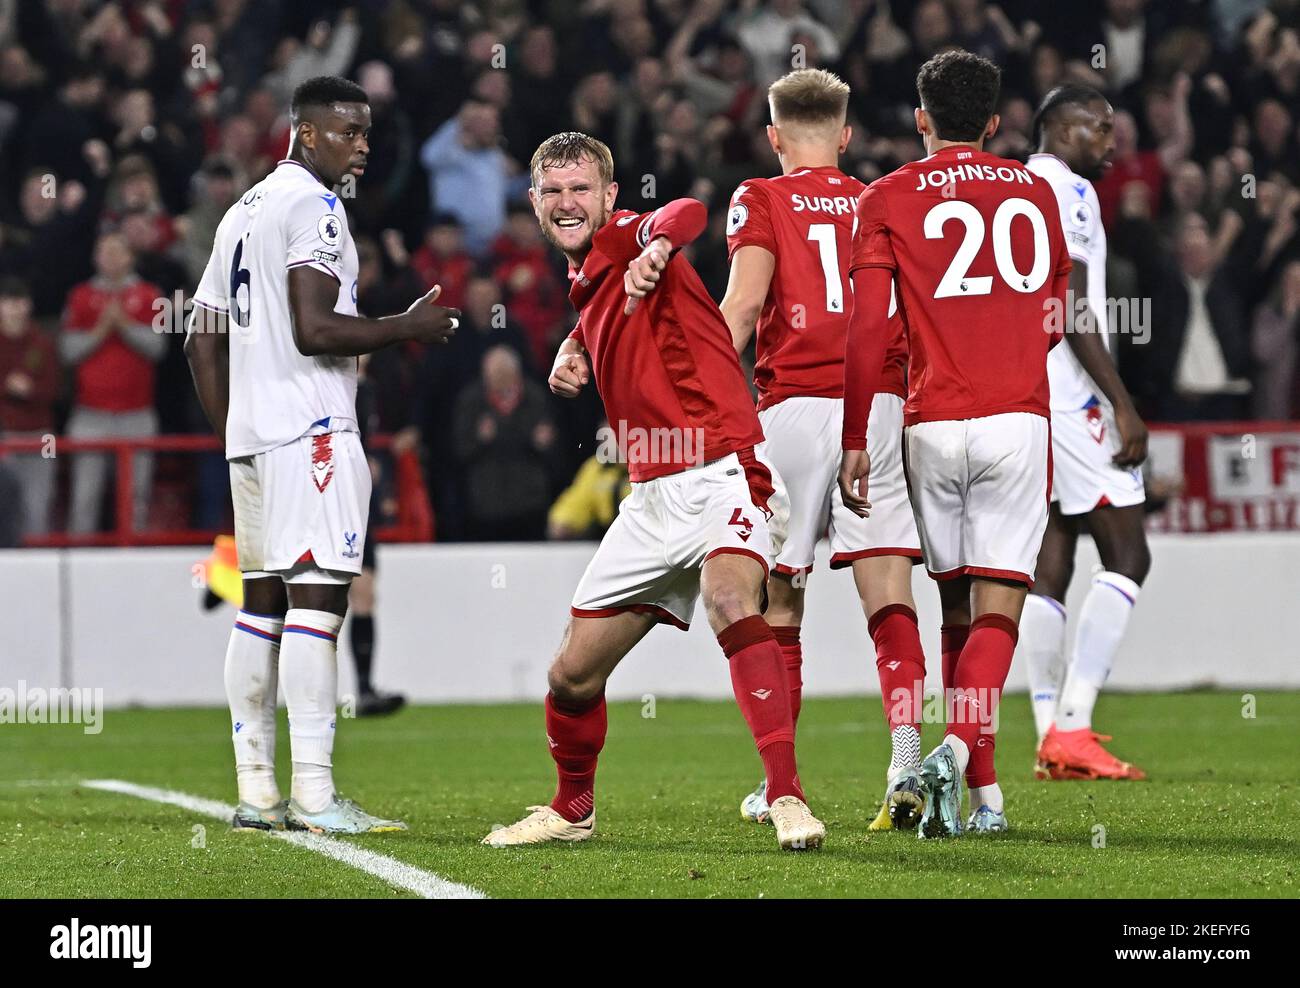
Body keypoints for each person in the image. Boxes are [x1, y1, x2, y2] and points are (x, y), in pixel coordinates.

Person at [483, 132, 824, 851]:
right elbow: (614, 307)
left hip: (723, 467)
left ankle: (787, 797)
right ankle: (573, 809)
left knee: (732, 598)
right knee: (570, 676)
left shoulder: (630, 239)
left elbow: (686, 210)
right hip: (650, 498)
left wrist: (656, 248)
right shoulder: (591, 283)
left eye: (582, 189)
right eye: (554, 192)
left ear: (609, 196)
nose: (568, 203)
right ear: (536, 205)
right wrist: (578, 339)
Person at [184, 76, 458, 835]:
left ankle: (257, 792)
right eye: (347, 131)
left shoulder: (242, 211)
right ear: (305, 134)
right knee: (318, 603)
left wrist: (233, 429)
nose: (362, 145)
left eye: (366, 132)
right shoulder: (316, 206)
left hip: (258, 441)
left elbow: (199, 337)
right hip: (312, 435)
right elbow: (314, 328)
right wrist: (406, 325)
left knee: (259, 605)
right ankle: (313, 794)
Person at [839, 50, 1071, 838]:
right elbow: (1056, 315)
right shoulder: (1036, 191)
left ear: (921, 120)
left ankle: (985, 799)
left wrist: (851, 437)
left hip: (929, 423)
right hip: (1015, 414)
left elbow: (869, 326)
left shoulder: (886, 197)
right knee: (1000, 607)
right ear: (997, 124)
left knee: (956, 609)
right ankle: (953, 757)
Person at [719, 68, 928, 832]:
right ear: (845, 137)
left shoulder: (760, 197)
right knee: (888, 586)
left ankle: (784, 782)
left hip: (795, 409)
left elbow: (742, 308)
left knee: (781, 597)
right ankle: (906, 756)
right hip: (880, 402)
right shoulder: (887, 197)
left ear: (774, 138)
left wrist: (697, 393)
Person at [1022, 84, 1152, 782]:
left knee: (1051, 563)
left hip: (1023, 397)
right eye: (1099, 127)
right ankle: (1072, 725)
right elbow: (1068, 305)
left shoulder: (1013, 186)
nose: (1110, 141)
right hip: (1073, 399)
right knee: (1129, 556)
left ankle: (1051, 734)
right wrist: (1121, 401)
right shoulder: (1068, 191)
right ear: (1060, 128)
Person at [60, 230, 165, 534]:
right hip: (89, 414)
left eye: (117, 251)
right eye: (103, 251)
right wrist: (101, 329)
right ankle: (79, 566)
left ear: (130, 257)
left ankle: (134, 565)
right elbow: (67, 351)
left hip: (137, 413)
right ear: (95, 257)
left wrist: (125, 325)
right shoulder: (80, 296)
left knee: (136, 497)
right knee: (85, 497)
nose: (109, 258)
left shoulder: (150, 294)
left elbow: (158, 348)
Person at [0, 277, 59, 537]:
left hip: (42, 436)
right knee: (5, 505)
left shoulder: (42, 342)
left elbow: (56, 389)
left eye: (20, 301)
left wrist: (30, 390)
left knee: (38, 503)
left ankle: (39, 566)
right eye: (9, 302)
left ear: (29, 305)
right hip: (4, 434)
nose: (15, 308)